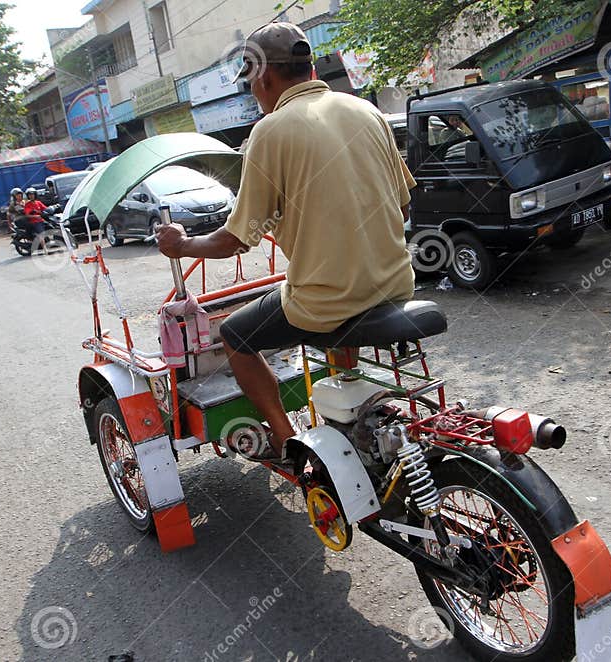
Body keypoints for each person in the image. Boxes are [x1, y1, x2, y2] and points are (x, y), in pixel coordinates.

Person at [156, 22, 416, 461]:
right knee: (335, 296)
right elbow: (403, 207)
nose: (254, 93)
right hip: (396, 286)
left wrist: (182, 245)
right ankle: (347, 414)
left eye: (251, 84)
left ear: (264, 77)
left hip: (326, 302)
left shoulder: (270, 131)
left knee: (238, 334)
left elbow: (235, 241)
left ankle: (284, 438)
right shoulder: (365, 111)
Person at [23, 187, 49, 252]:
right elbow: (27, 215)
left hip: (42, 220)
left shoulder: (38, 202)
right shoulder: (27, 205)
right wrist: (35, 216)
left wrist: (53, 208)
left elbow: (46, 209)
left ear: (35, 195)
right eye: (30, 195)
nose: (31, 196)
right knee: (41, 233)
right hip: (35, 222)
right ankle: (45, 248)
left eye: (32, 194)